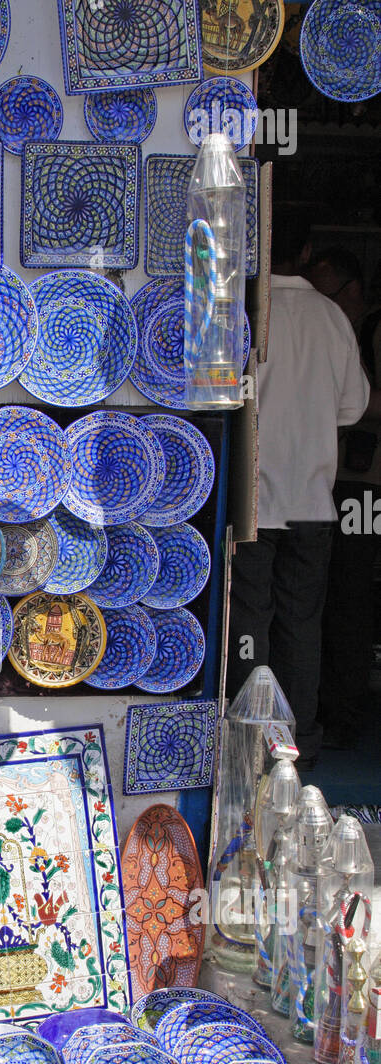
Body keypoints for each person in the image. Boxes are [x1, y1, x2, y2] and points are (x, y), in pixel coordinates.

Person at [226, 212, 370, 769]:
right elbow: (353, 406)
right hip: (313, 500)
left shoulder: (246, 313)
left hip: (255, 497)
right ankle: (298, 741)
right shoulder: (332, 315)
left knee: (251, 621)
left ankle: (252, 740)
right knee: (301, 625)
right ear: (307, 253)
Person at [308, 248, 381, 748]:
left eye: (328, 292)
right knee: (329, 597)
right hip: (336, 481)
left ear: (351, 288)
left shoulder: (372, 327)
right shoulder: (345, 328)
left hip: (366, 483)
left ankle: (345, 715)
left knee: (350, 597)